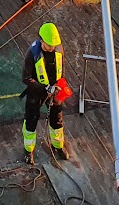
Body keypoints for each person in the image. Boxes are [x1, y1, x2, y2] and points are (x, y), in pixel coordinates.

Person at [21, 22, 69, 164]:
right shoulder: (32, 54)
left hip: (54, 91)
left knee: (57, 120)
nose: (52, 48)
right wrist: (44, 88)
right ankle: (28, 150)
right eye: (49, 45)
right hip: (36, 92)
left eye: (53, 45)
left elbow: (62, 69)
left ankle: (58, 146)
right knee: (31, 120)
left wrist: (59, 86)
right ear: (41, 40)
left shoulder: (58, 49)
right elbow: (26, 78)